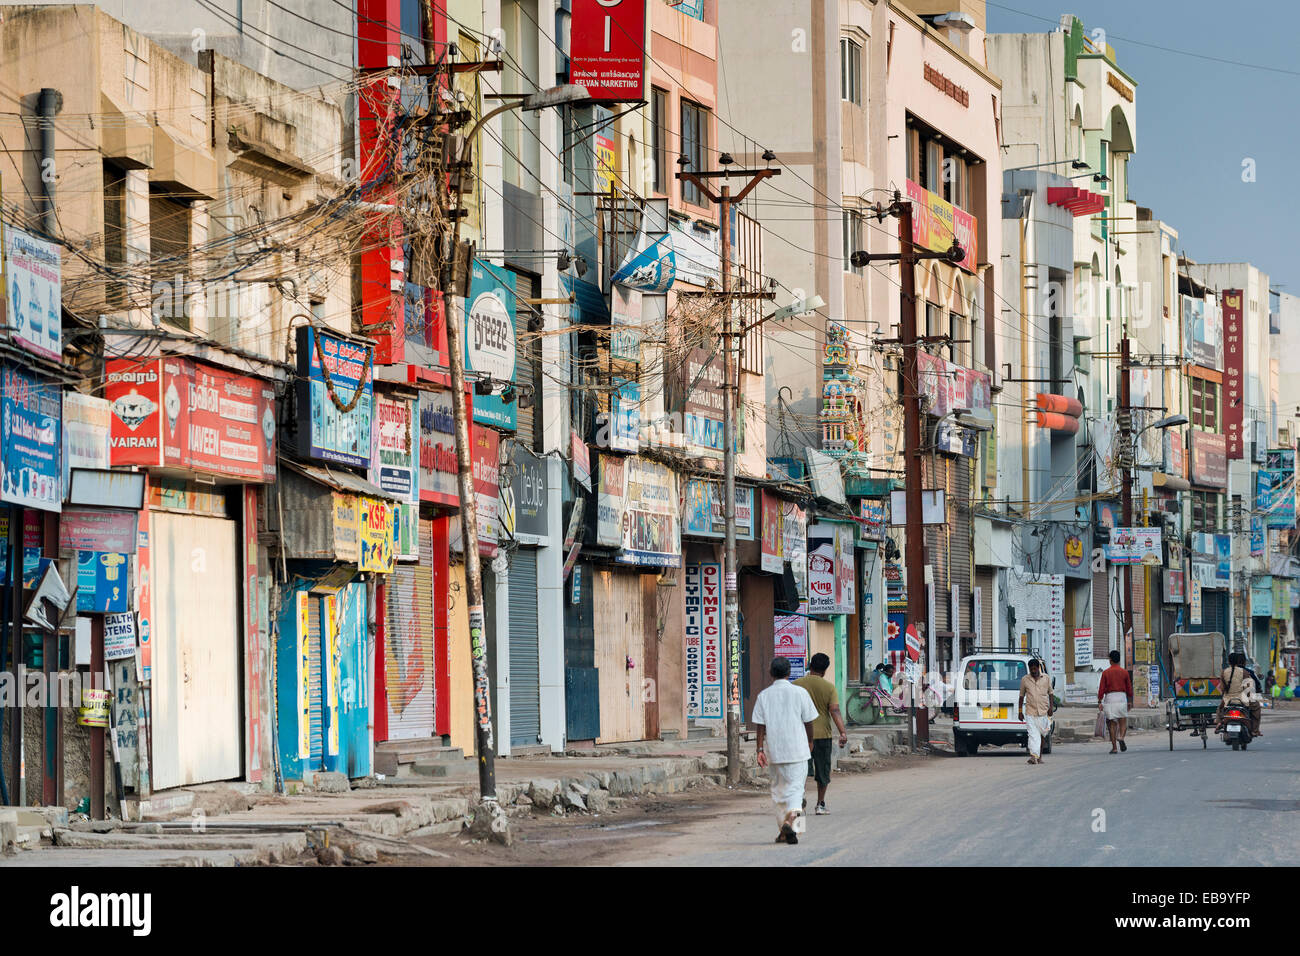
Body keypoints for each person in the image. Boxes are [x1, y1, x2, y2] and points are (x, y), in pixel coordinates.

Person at [753, 656, 819, 845]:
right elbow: (809, 721)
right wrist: (810, 741)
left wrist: (759, 749)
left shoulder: (764, 696)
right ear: (789, 673)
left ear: (771, 673)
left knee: (779, 793)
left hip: (775, 751)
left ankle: (786, 833)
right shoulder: (800, 693)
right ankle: (791, 824)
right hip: (798, 750)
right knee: (797, 791)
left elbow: (760, 725)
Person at [794, 652, 848, 815]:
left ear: (810, 666)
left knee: (800, 770)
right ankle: (820, 804)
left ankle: (799, 797)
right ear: (824, 670)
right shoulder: (829, 687)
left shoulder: (796, 684)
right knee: (823, 771)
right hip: (822, 735)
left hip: (801, 736)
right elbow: (835, 711)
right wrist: (843, 732)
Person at [1017, 658, 1055, 765]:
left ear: (1038, 668)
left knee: (1042, 735)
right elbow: (1021, 697)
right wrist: (1020, 711)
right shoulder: (1025, 679)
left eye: (1034, 669)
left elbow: (1051, 694)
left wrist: (1051, 708)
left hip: (1044, 712)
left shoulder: (1046, 678)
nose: (1033, 671)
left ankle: (1039, 757)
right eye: (1031, 669)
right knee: (1033, 735)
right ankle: (1033, 757)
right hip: (1030, 712)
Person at [1218, 652, 1263, 737]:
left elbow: (1222, 688)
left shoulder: (1224, 672)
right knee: (1256, 707)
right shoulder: (1245, 672)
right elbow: (1248, 688)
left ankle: (1219, 723)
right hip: (1243, 699)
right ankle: (1255, 730)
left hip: (1228, 700)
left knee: (1220, 709)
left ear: (1228, 661)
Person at [1097, 650, 1133, 753]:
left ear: (1110, 660)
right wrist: (1130, 701)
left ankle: (1114, 747)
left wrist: (1099, 701)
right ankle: (1121, 737)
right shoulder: (1124, 672)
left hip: (1110, 699)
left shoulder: (1106, 673)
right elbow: (1129, 688)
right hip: (1122, 697)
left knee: (1111, 724)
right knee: (1123, 722)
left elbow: (1101, 689)